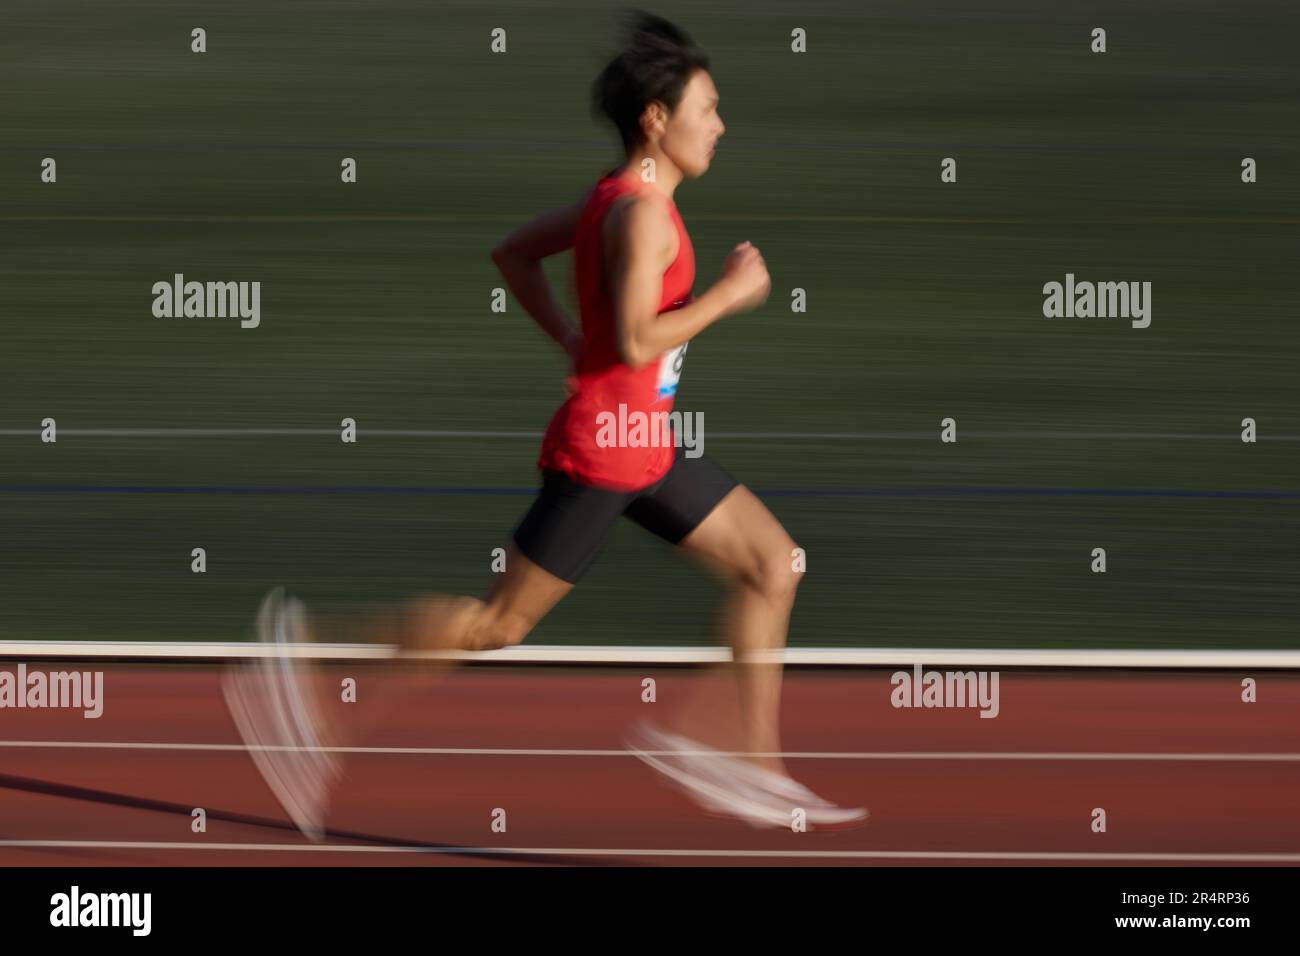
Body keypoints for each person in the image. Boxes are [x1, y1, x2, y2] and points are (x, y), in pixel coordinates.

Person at [224, 10, 866, 841]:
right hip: (604, 456)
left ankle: (743, 754)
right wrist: (726, 298)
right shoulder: (639, 216)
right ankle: (308, 669)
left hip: (648, 448)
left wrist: (572, 336)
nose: (720, 125)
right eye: (707, 108)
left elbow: (514, 256)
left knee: (775, 564)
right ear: (656, 120)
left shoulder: (613, 198)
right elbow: (636, 338)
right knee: (496, 626)